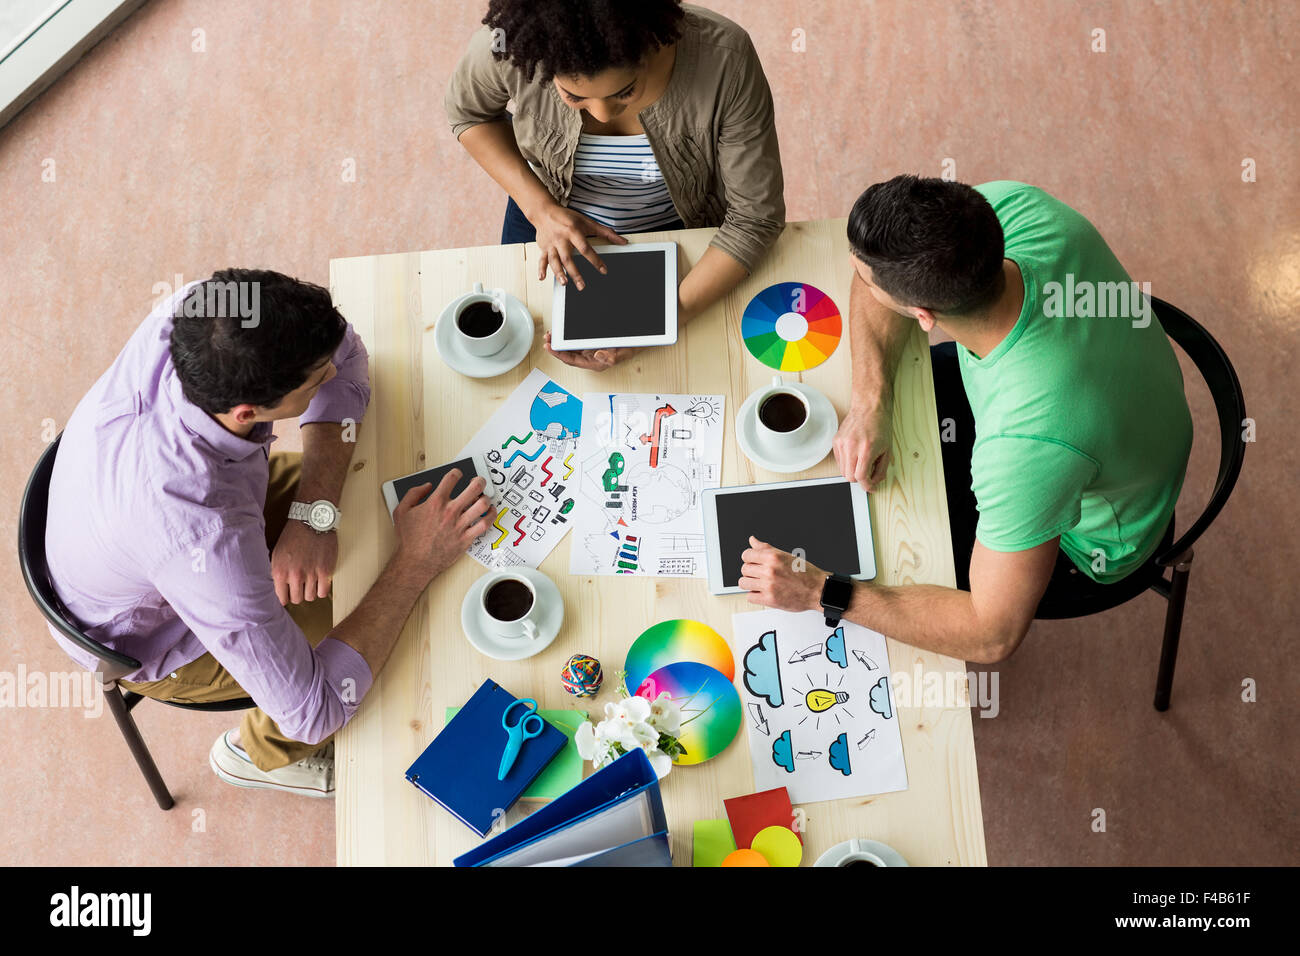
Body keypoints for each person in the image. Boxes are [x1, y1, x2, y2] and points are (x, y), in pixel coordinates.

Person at [44, 269, 493, 797]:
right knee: (406, 621)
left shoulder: (204, 314)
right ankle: (255, 754)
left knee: (370, 517)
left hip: (176, 521)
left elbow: (347, 353)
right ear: (245, 413)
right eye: (312, 382)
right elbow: (315, 708)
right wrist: (414, 562)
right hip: (159, 635)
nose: (329, 374)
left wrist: (314, 512)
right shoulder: (204, 540)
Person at [739, 178, 1193, 663]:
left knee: (890, 545)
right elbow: (880, 280)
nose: (857, 278)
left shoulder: (1026, 447)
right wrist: (871, 402)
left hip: (1098, 540)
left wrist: (821, 592)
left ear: (923, 315)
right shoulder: (1017, 210)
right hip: (1097, 411)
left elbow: (990, 634)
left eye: (863, 274)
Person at [445, 0, 785, 371]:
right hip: (544, 214)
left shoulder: (725, 58)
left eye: (625, 91)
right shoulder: (513, 43)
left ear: (657, 45)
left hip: (679, 227)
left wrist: (657, 325)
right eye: (573, 96)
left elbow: (754, 219)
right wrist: (540, 210)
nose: (601, 114)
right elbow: (469, 114)